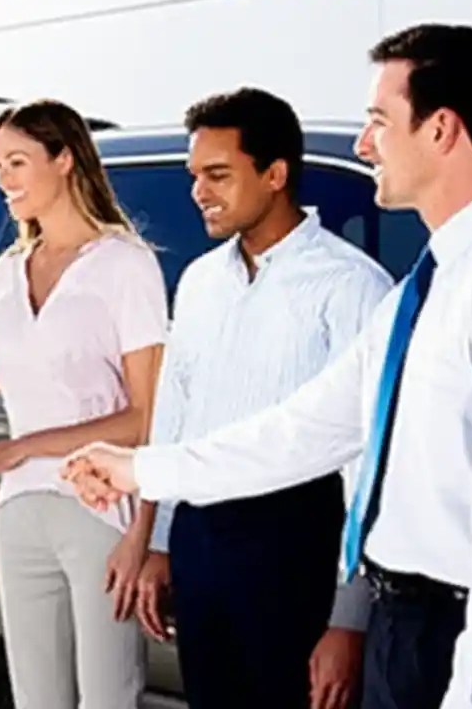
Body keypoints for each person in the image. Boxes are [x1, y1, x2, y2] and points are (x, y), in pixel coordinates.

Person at [65, 23, 472, 709]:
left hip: (468, 643)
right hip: (405, 629)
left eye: (379, 120)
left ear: (440, 129)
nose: (361, 143)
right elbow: (301, 430)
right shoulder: (431, 286)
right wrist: (138, 469)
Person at [0, 98, 168, 709]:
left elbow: (147, 420)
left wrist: (142, 537)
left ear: (65, 159)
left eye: (17, 162)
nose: (4, 180)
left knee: (108, 698)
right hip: (18, 518)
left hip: (101, 514)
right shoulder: (4, 276)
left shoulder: (126, 266)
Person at [133, 87, 393, 709]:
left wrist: (348, 616)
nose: (199, 191)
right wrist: (163, 542)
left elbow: (368, 460)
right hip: (200, 539)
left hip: (297, 543)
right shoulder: (198, 281)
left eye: (218, 174)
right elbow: (176, 412)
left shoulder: (352, 285)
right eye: (195, 175)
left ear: (275, 174)